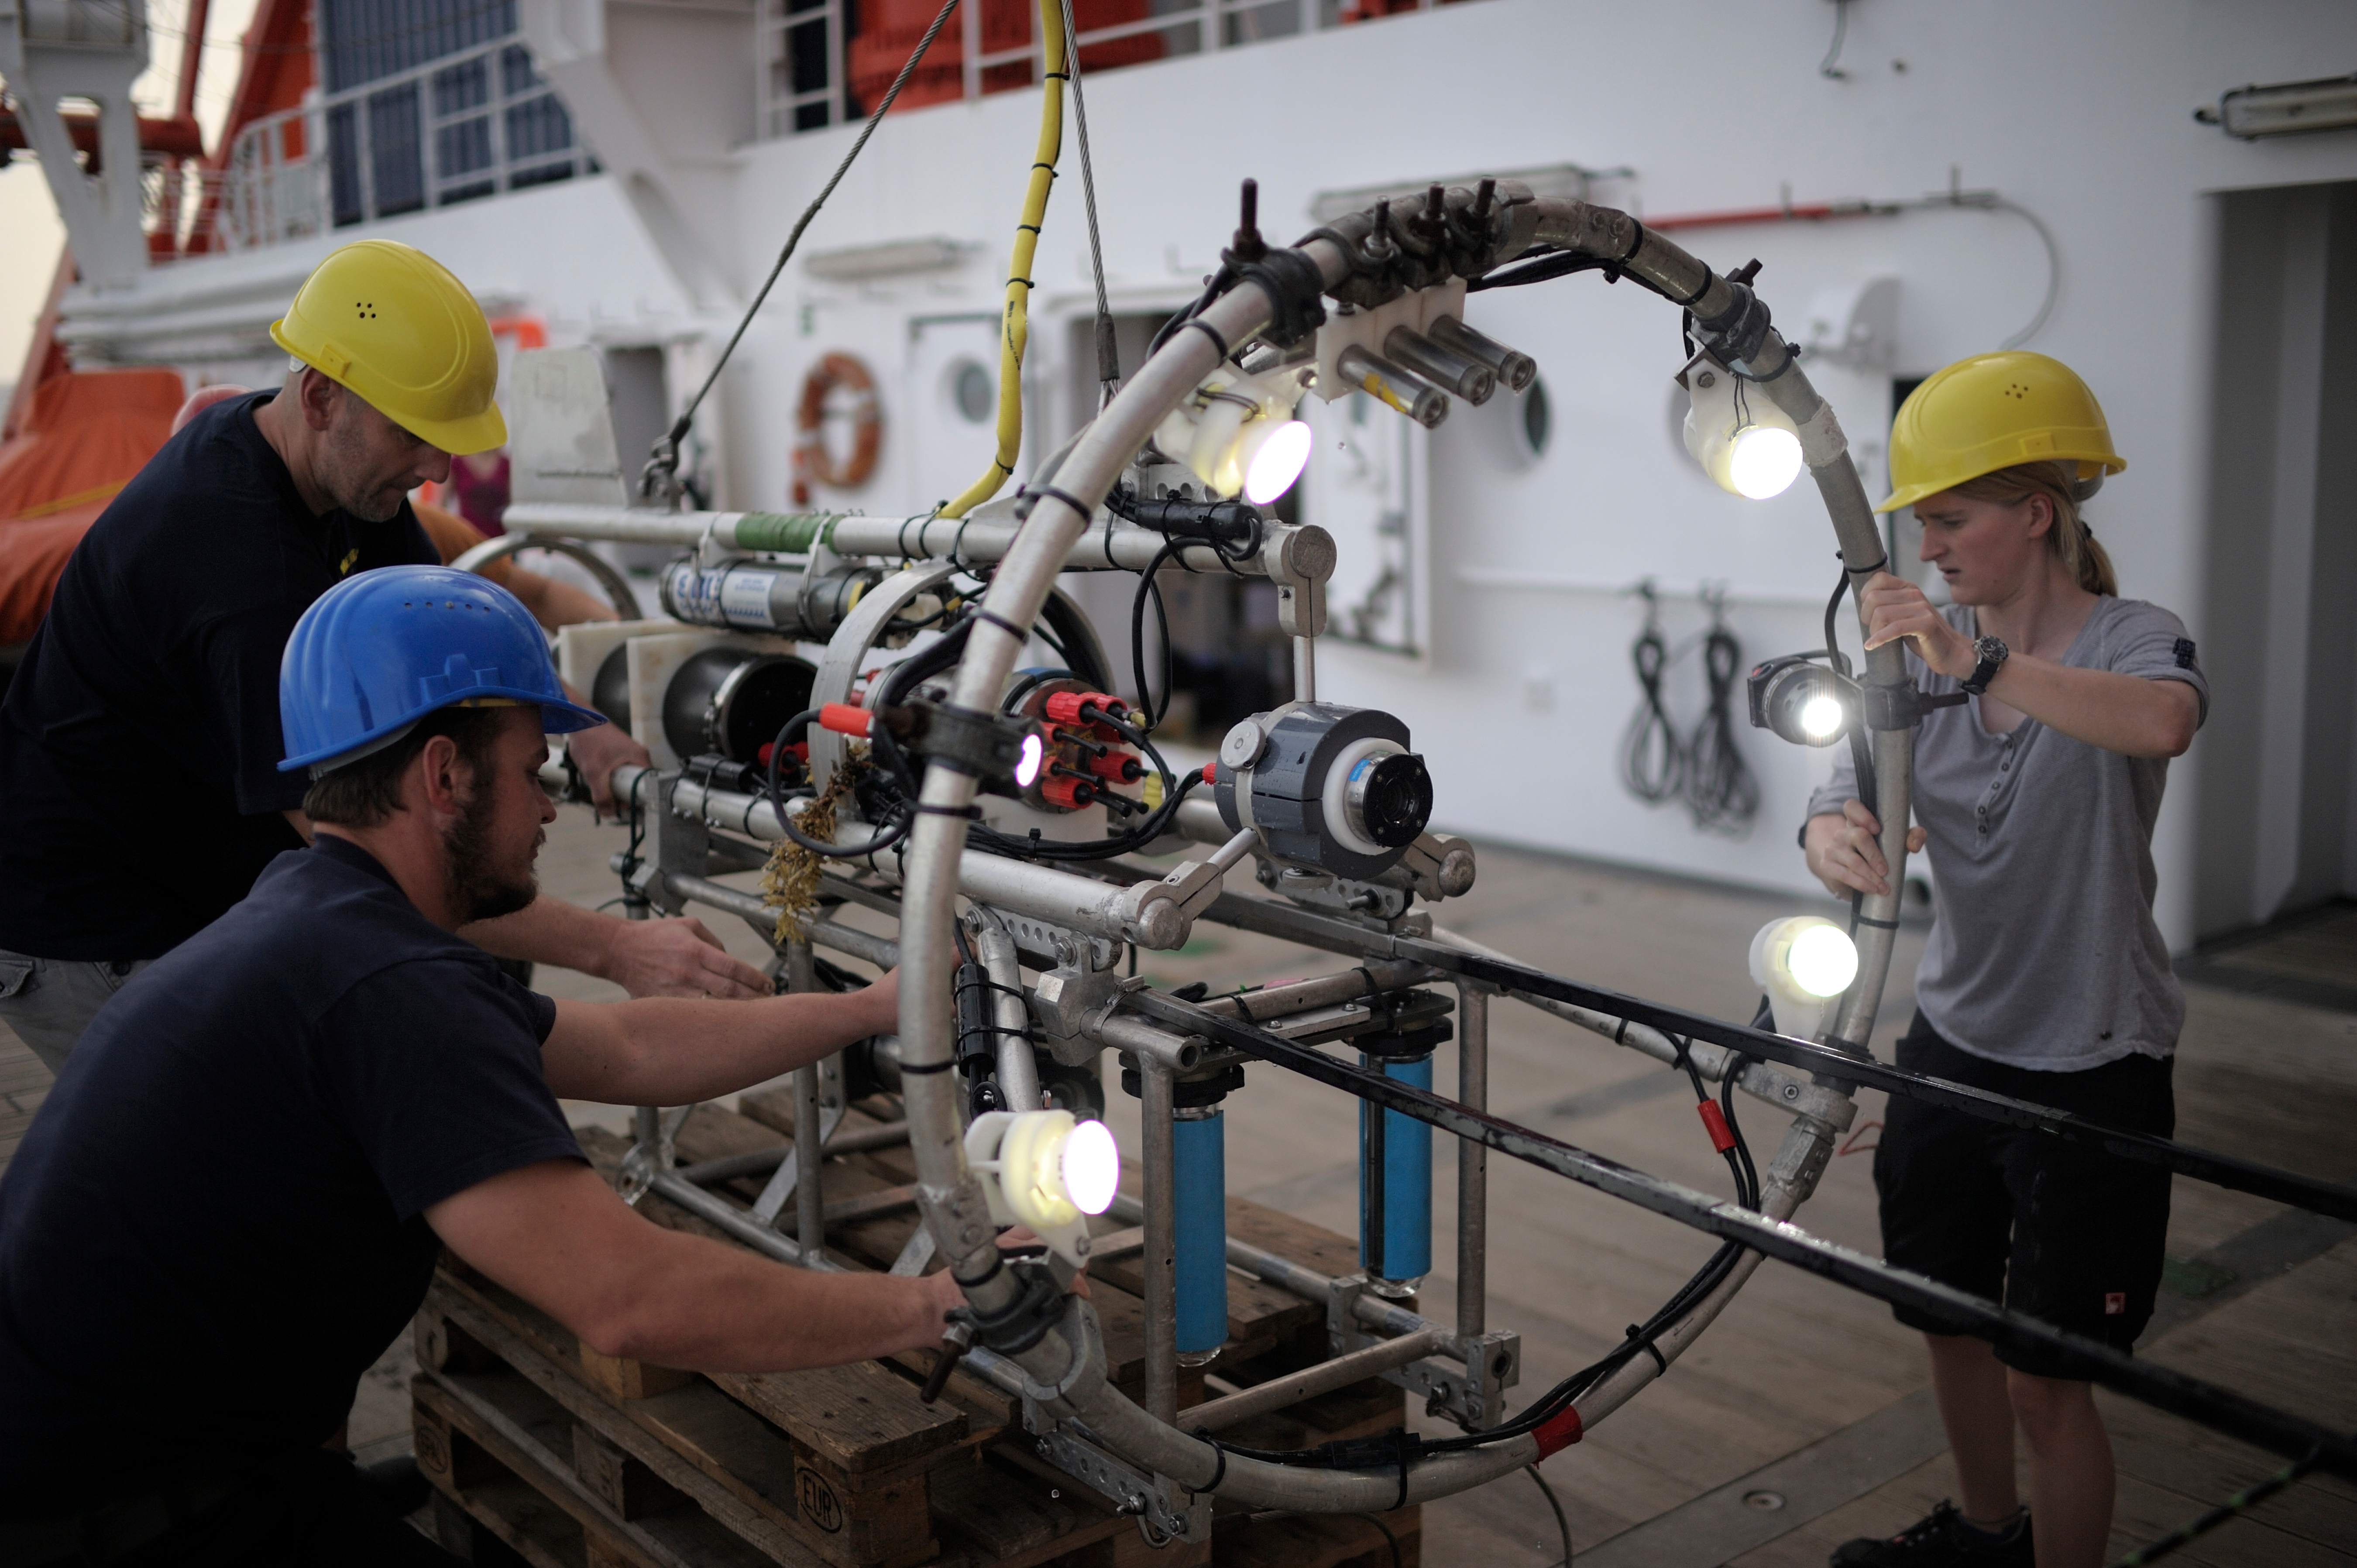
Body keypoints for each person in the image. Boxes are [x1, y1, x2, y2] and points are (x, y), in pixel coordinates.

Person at [0, 566, 985, 1565]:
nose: (551, 808)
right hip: (96, 1518)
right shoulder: (389, 987)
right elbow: (629, 1298)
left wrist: (876, 1006)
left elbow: (629, 1047)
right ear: (444, 777)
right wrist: (938, 1305)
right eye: (530, 769)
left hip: (119, 1449)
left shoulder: (323, 916)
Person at [0, 240, 764, 1076]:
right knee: (255, 1138)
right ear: (321, 396)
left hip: (207, 880)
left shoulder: (330, 471)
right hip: (94, 924)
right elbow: (370, 849)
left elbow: (453, 629)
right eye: (415, 435)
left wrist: (580, 724)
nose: (437, 468)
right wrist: (617, 947)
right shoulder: (238, 564)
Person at [1814, 353, 2205, 1568]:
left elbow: (2163, 723)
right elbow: (1842, 783)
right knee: (1948, 1320)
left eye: (1949, 519)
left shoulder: (2134, 638)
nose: (1926, 547)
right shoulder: (1919, 661)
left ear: (2036, 512)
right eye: (1920, 522)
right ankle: (1988, 1538)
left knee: (2048, 1381)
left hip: (2093, 1061)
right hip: (1952, 1045)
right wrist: (1829, 832)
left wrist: (1972, 659)